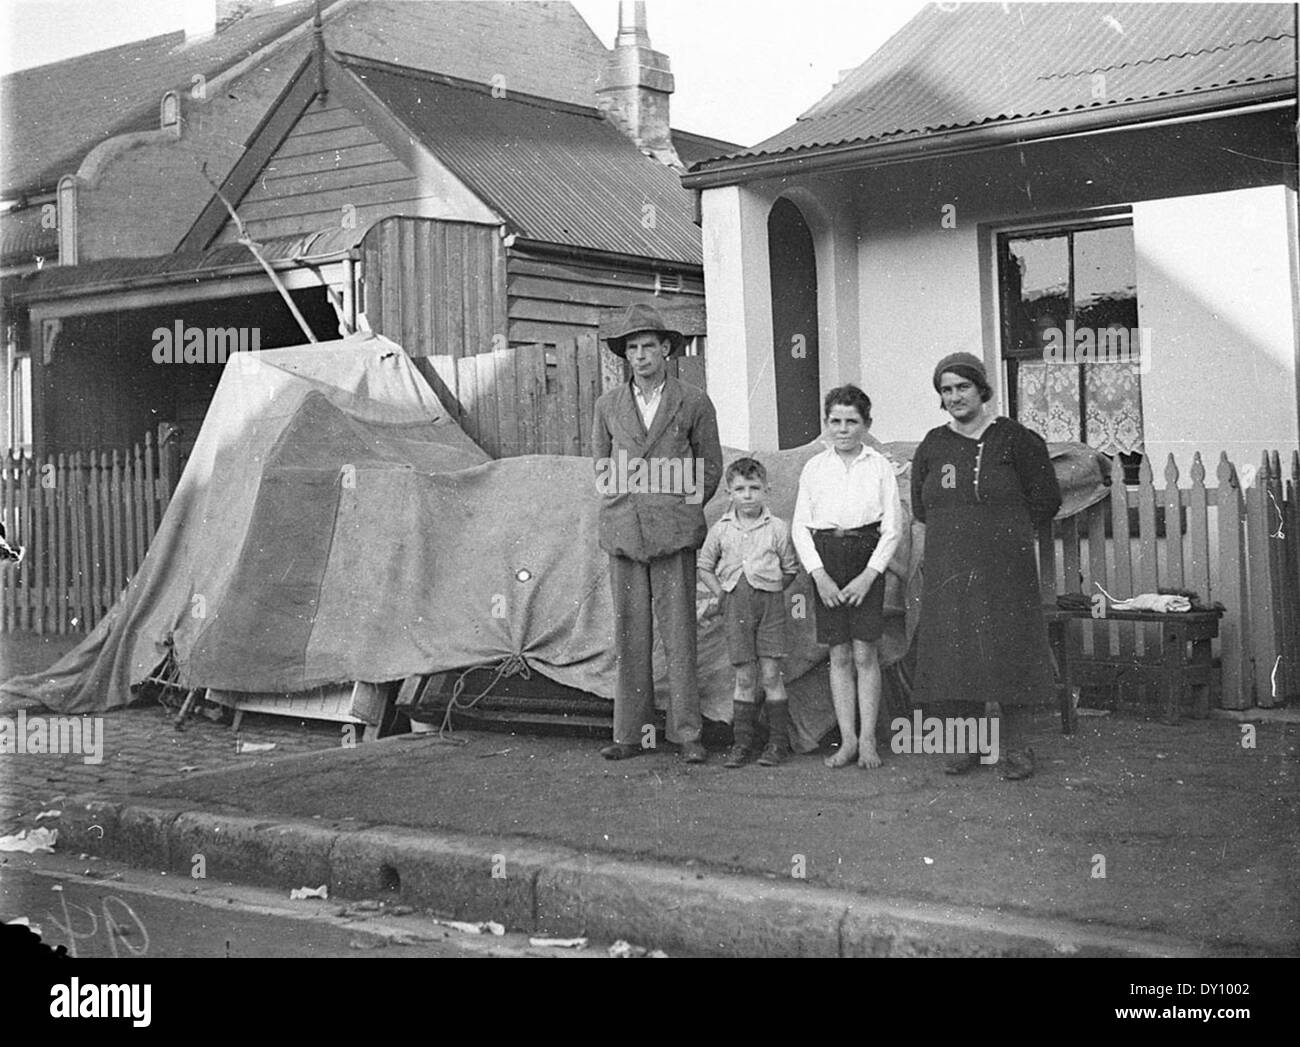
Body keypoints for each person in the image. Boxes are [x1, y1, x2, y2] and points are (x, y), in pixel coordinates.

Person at [910, 352, 1062, 781]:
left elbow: (1046, 499)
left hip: (1005, 564)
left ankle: (1017, 748)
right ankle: (969, 746)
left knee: (1009, 647)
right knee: (957, 651)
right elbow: (922, 505)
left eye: (962, 387)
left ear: (981, 389)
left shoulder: (1017, 440)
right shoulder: (934, 445)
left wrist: (1008, 533)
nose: (955, 396)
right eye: (946, 390)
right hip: (950, 563)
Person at [591, 303, 722, 763]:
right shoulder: (608, 405)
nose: (641, 355)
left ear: (667, 349)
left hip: (674, 533)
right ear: (624, 355)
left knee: (680, 633)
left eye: (649, 345)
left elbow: (709, 469)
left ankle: (687, 734)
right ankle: (631, 734)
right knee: (630, 634)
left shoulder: (692, 401)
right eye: (632, 348)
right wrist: (622, 507)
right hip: (624, 533)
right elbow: (603, 467)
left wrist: (679, 510)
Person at [791, 386, 903, 770]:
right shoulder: (815, 468)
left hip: (866, 558)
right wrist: (818, 575)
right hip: (827, 560)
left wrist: (870, 575)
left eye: (851, 421)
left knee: (864, 652)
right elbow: (799, 528)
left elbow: (892, 529)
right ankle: (848, 740)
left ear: (866, 425)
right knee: (838, 654)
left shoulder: (879, 466)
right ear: (826, 424)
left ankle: (869, 739)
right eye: (835, 421)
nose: (842, 429)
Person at [697, 457, 801, 768]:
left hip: (770, 608)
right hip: (735, 607)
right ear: (729, 492)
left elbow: (790, 568)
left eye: (754, 488)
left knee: (770, 674)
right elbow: (704, 567)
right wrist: (723, 595)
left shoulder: (778, 528)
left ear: (766, 490)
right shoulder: (721, 530)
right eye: (740, 489)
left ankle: (777, 744)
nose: (747, 495)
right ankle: (741, 744)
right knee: (744, 676)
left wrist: (769, 588)